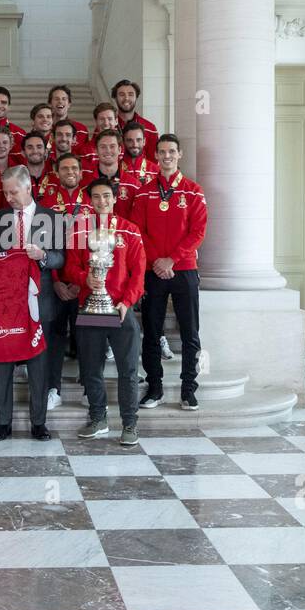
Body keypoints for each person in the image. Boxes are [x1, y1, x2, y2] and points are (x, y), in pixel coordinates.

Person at [0, 166, 65, 440]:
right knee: (3, 362)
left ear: (28, 188)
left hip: (40, 300)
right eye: (5, 192)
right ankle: (3, 423)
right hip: (5, 305)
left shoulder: (51, 217)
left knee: (38, 363)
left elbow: (61, 258)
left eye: (13, 191)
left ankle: (38, 423)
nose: (9, 197)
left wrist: (42, 255)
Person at [63, 178, 147, 446]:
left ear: (114, 199)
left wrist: (127, 302)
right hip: (89, 309)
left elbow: (138, 273)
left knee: (128, 370)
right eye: (96, 197)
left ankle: (130, 424)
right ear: (90, 201)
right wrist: (84, 279)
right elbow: (69, 267)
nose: (101, 201)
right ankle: (98, 418)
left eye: (106, 196)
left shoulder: (129, 231)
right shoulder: (79, 232)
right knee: (90, 369)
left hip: (121, 310)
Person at [134, 134, 207, 411]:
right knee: (151, 331)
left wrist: (171, 260)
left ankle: (189, 388)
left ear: (180, 154)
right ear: (156, 155)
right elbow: (138, 231)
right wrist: (157, 261)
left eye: (171, 151)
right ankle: (155, 388)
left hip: (184, 269)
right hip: (154, 271)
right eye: (162, 151)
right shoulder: (144, 192)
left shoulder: (193, 190)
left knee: (190, 332)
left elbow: (198, 232)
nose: (166, 156)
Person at [41, 152, 89, 412]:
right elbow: (45, 248)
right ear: (57, 174)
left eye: (75, 168)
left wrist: (82, 283)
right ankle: (53, 389)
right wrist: (57, 281)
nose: (70, 172)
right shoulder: (46, 205)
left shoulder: (93, 203)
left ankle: (89, 387)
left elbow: (97, 249)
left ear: (81, 173)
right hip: (55, 286)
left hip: (86, 285)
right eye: (65, 168)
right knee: (55, 337)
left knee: (88, 335)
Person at [81, 128, 140, 222]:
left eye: (112, 146)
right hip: (94, 235)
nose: (108, 151)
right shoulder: (84, 186)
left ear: (120, 149)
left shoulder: (135, 186)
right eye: (103, 147)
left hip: (125, 235)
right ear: (96, 150)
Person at [111, 79, 159, 157]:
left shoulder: (150, 128)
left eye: (130, 94)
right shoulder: (108, 126)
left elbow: (153, 161)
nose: (126, 98)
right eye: (121, 94)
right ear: (115, 98)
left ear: (136, 97)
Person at [122, 120, 160, 187]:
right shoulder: (115, 169)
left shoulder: (156, 171)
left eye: (138, 140)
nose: (135, 145)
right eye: (130, 140)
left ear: (144, 141)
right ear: (124, 142)